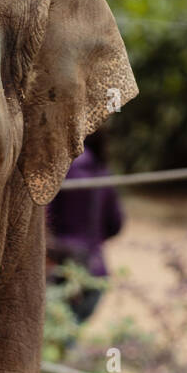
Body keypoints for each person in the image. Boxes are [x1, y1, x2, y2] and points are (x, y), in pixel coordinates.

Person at [46, 130, 123, 323]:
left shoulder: (59, 170)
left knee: (58, 335)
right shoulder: (102, 171)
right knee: (70, 334)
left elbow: (43, 221)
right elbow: (116, 224)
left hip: (64, 274)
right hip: (96, 275)